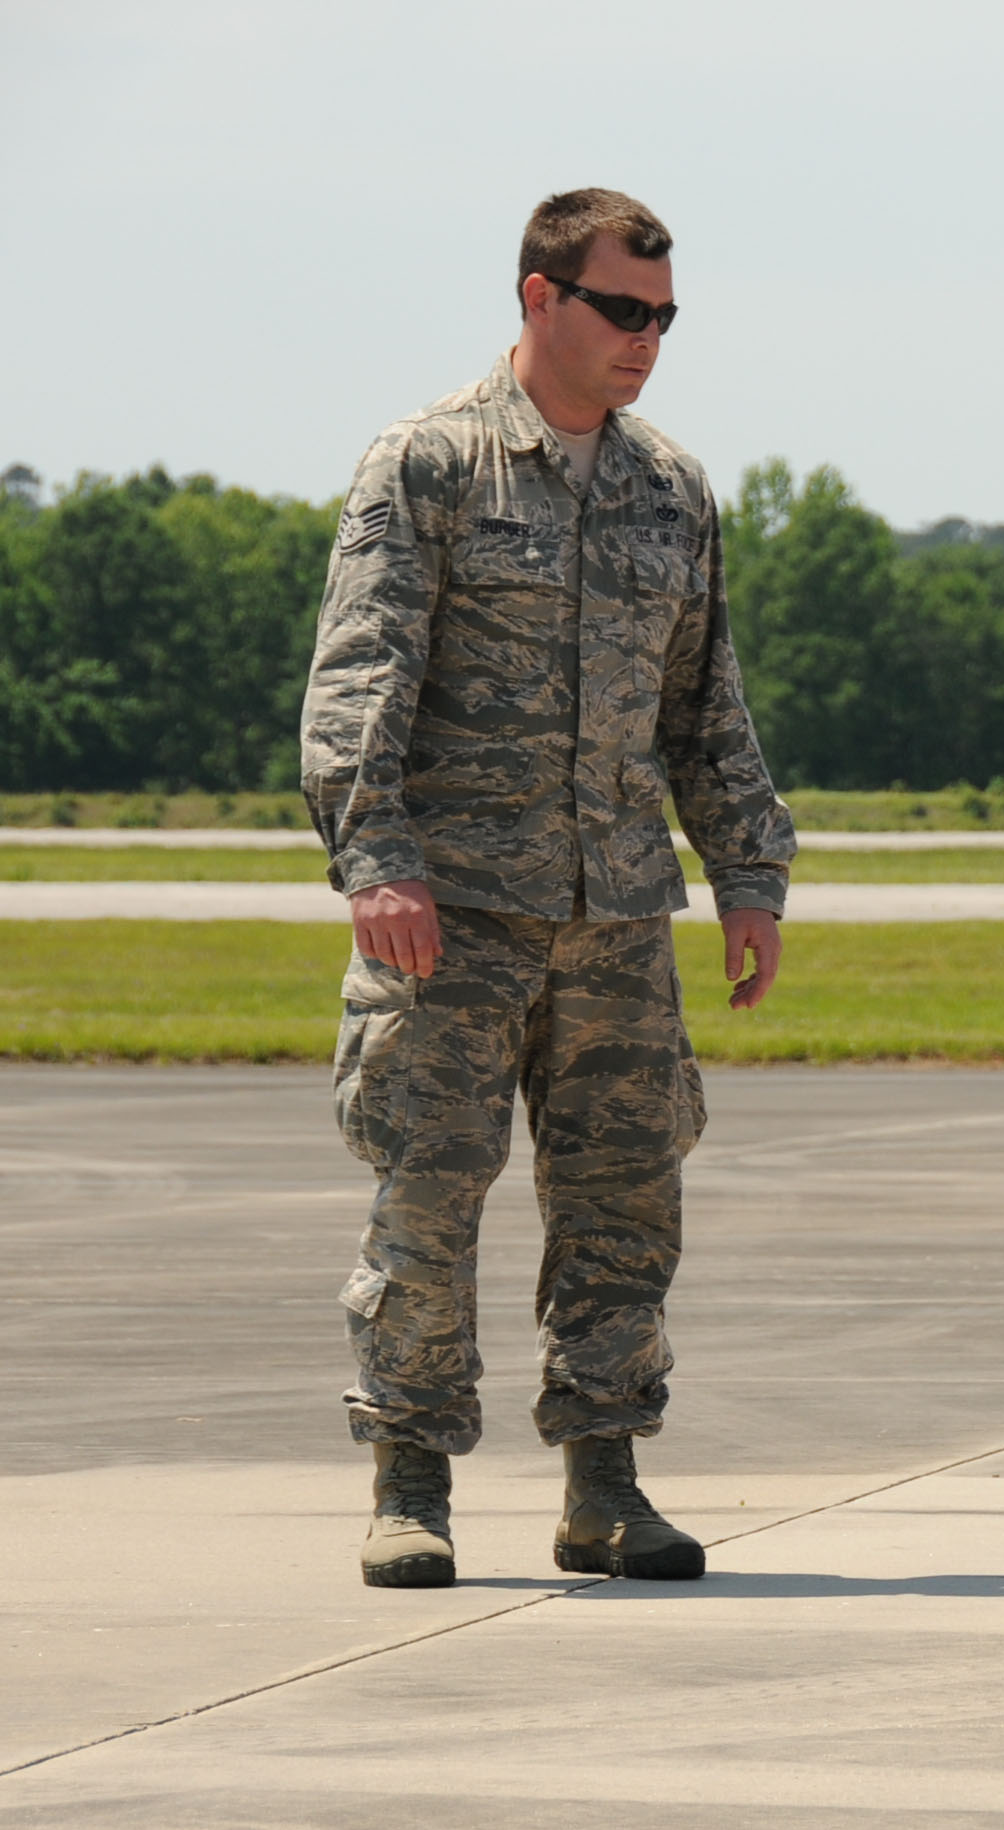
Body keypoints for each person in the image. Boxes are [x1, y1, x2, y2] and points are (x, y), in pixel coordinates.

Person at [298, 188, 796, 1590]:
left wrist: (746, 871)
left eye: (664, 317)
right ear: (539, 298)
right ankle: (410, 1483)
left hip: (618, 919)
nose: (647, 339)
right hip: (450, 919)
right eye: (621, 309)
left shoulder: (670, 487)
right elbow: (357, 683)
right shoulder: (432, 466)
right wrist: (376, 858)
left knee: (626, 1204)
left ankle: (606, 1484)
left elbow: (704, 708)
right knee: (430, 1200)